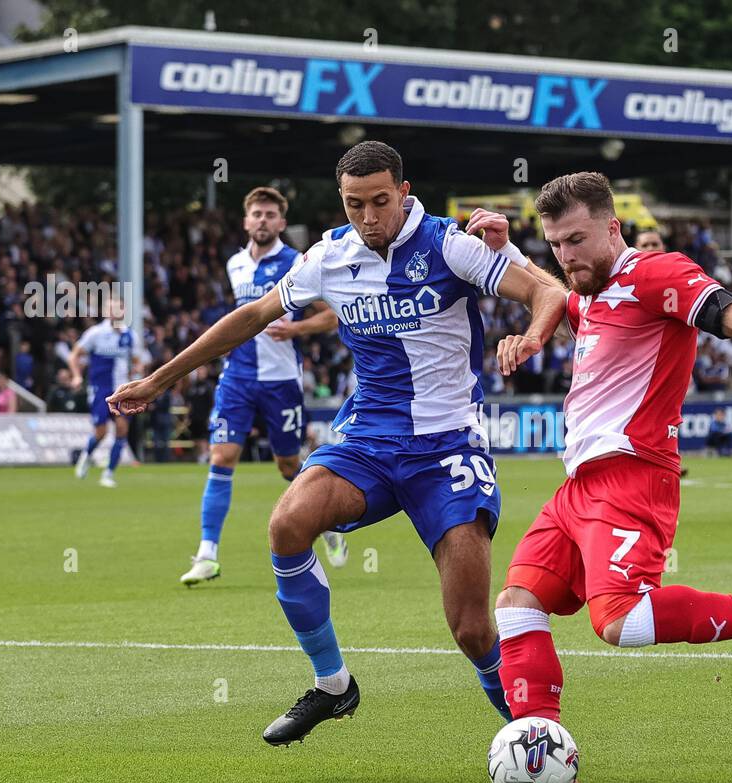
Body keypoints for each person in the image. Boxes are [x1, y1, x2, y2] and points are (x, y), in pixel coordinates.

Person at [106, 141, 567, 748]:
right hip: (369, 442)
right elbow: (250, 317)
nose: (369, 218)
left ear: (403, 193)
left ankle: (533, 739)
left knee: (472, 627)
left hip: (448, 447)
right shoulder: (329, 256)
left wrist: (531, 337)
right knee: (287, 524)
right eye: (355, 205)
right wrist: (159, 380)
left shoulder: (450, 245)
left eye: (380, 202)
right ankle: (332, 684)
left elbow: (548, 293)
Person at [469, 173, 732, 783]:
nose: (568, 254)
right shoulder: (597, 291)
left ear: (614, 227)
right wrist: (507, 253)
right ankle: (536, 763)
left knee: (621, 622)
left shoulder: (658, 274)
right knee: (517, 607)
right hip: (578, 488)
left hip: (633, 479)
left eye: (578, 239)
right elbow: (560, 297)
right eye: (557, 243)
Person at [180, 186, 347, 587]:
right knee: (221, 457)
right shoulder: (235, 264)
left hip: (280, 382)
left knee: (288, 464)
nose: (262, 220)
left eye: (270, 215)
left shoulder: (297, 262)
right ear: (245, 220)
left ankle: (326, 524)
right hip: (236, 376)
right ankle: (206, 554)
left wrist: (297, 327)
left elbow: (333, 316)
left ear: (282, 223)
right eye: (256, 214)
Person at [67, 299, 148, 488]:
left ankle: (108, 473)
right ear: (105, 311)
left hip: (121, 389)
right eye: (111, 308)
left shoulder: (130, 336)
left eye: (119, 307)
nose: (115, 311)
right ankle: (86, 456)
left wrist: (137, 375)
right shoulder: (96, 334)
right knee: (100, 432)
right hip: (99, 389)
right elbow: (74, 355)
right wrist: (77, 376)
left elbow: (137, 361)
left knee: (122, 429)